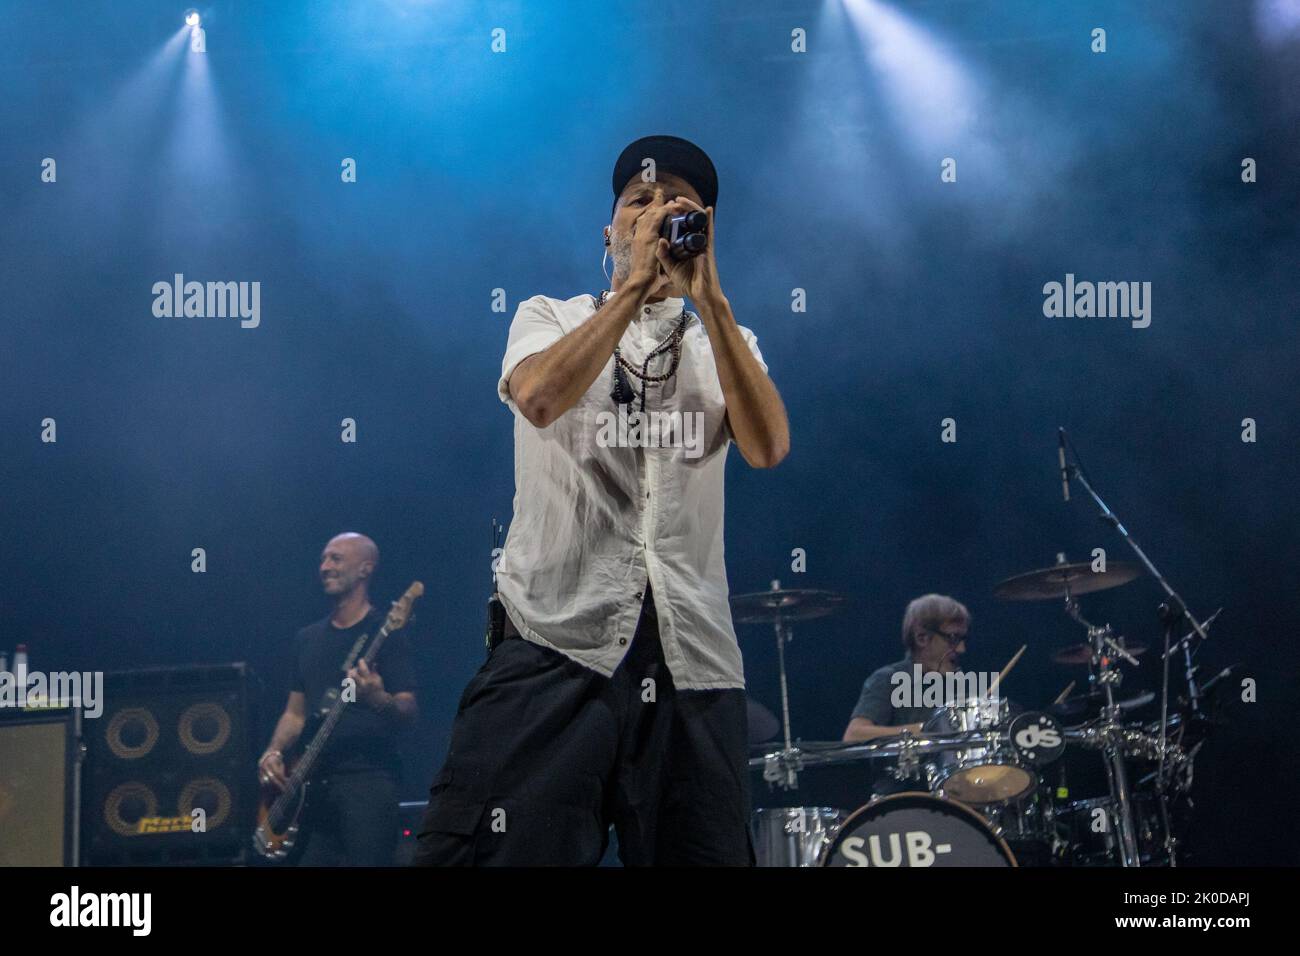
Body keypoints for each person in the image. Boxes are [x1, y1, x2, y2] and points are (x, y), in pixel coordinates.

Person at [413, 134, 789, 866]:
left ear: (703, 228)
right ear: (610, 230)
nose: (655, 213)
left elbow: (769, 448)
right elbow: (540, 397)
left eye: (676, 204)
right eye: (639, 201)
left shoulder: (727, 339)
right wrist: (628, 293)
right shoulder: (547, 316)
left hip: (693, 663)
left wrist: (708, 297)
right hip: (555, 643)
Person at [259, 532, 418, 866]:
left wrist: (378, 698)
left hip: (368, 782)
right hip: (313, 787)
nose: (325, 566)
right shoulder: (307, 639)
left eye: (336, 558)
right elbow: (294, 714)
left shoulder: (386, 630)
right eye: (323, 559)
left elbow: (408, 709)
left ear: (365, 569)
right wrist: (274, 751)